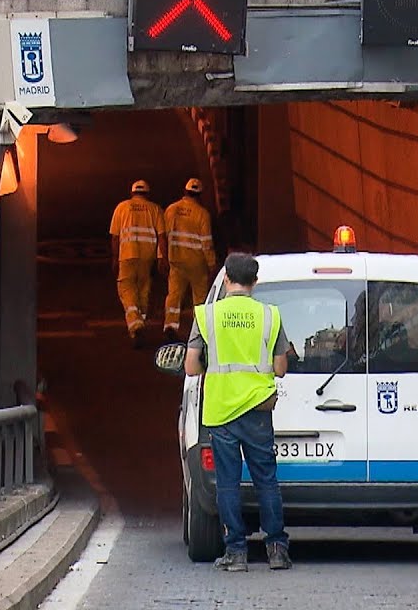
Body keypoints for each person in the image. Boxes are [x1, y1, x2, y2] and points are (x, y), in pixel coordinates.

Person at [184, 253, 292, 572]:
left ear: (227, 279)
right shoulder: (270, 316)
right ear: (254, 283)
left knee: (228, 483)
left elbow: (191, 365)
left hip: (221, 412)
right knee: (266, 481)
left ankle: (236, 553)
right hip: (258, 409)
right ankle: (276, 549)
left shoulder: (207, 316)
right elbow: (281, 368)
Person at [110, 180, 165, 347]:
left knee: (126, 290)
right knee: (143, 290)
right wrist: (162, 258)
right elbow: (162, 236)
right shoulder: (155, 209)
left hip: (127, 255)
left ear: (132, 193)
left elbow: (115, 237)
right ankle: (139, 323)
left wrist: (114, 258)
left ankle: (136, 325)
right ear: (147, 194)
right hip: (147, 258)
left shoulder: (121, 207)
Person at [160, 178, 217, 341]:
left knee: (174, 295)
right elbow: (206, 243)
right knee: (199, 298)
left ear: (185, 192)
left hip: (176, 261)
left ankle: (170, 326)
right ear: (200, 195)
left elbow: (164, 236)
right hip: (197, 264)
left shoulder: (171, 210)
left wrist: (162, 258)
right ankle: (198, 331)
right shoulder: (203, 214)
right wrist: (212, 264)